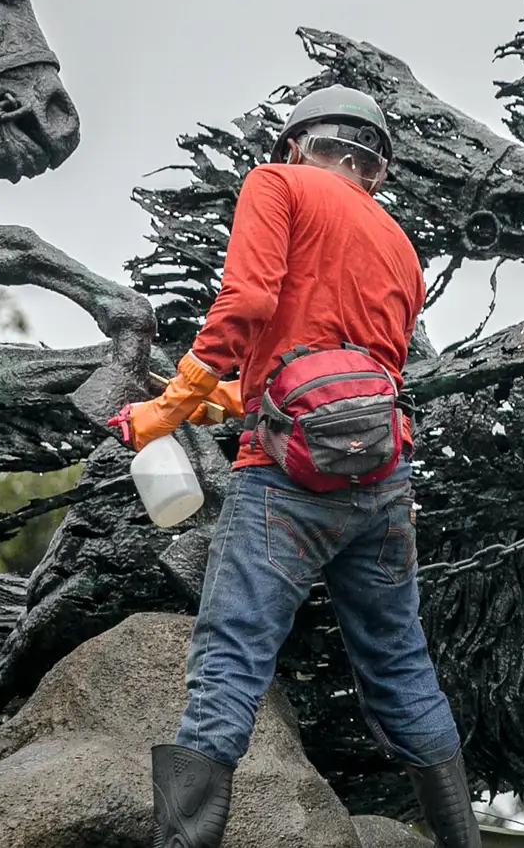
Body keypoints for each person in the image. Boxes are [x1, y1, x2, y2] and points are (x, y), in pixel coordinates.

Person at [110, 87, 481, 848]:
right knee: (403, 668)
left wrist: (172, 406)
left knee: (229, 662)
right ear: (375, 168)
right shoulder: (398, 243)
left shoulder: (274, 185)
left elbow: (249, 301)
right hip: (380, 481)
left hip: (280, 482)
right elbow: (350, 365)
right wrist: (224, 399)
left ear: (296, 145)